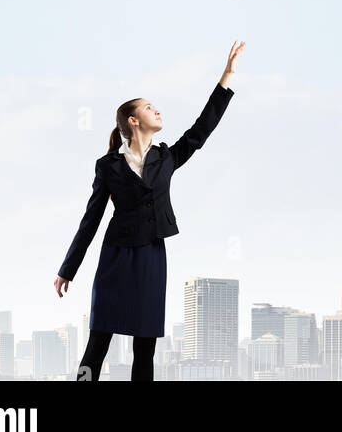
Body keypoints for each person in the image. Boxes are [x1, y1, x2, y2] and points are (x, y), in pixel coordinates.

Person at [53, 41, 244, 380]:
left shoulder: (166, 157)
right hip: (115, 256)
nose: (157, 111)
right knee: (99, 338)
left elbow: (201, 130)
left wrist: (225, 77)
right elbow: (90, 220)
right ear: (133, 120)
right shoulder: (107, 166)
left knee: (146, 344)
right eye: (149, 107)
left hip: (152, 255)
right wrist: (68, 268)